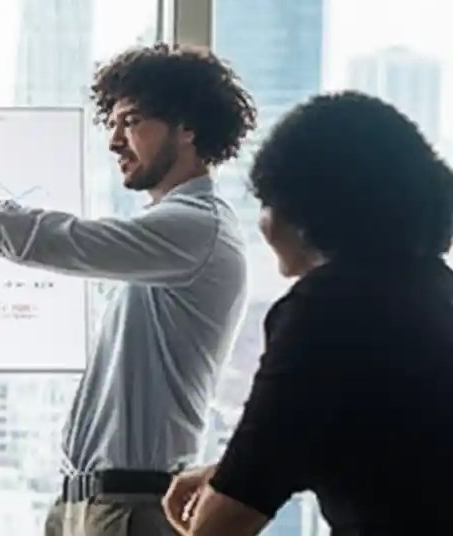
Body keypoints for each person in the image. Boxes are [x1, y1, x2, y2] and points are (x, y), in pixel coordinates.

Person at [0, 43, 257, 536]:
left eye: (132, 121)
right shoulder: (170, 233)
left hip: (132, 508)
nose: (114, 141)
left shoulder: (195, 229)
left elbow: (55, 238)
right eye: (113, 123)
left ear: (188, 128)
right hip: (94, 502)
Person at [161, 92, 453, 535]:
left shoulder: (322, 310)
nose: (263, 223)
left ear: (302, 210)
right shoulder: (434, 288)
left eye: (267, 201)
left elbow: (223, 524)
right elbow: (382, 446)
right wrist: (229, 472)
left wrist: (226, 491)